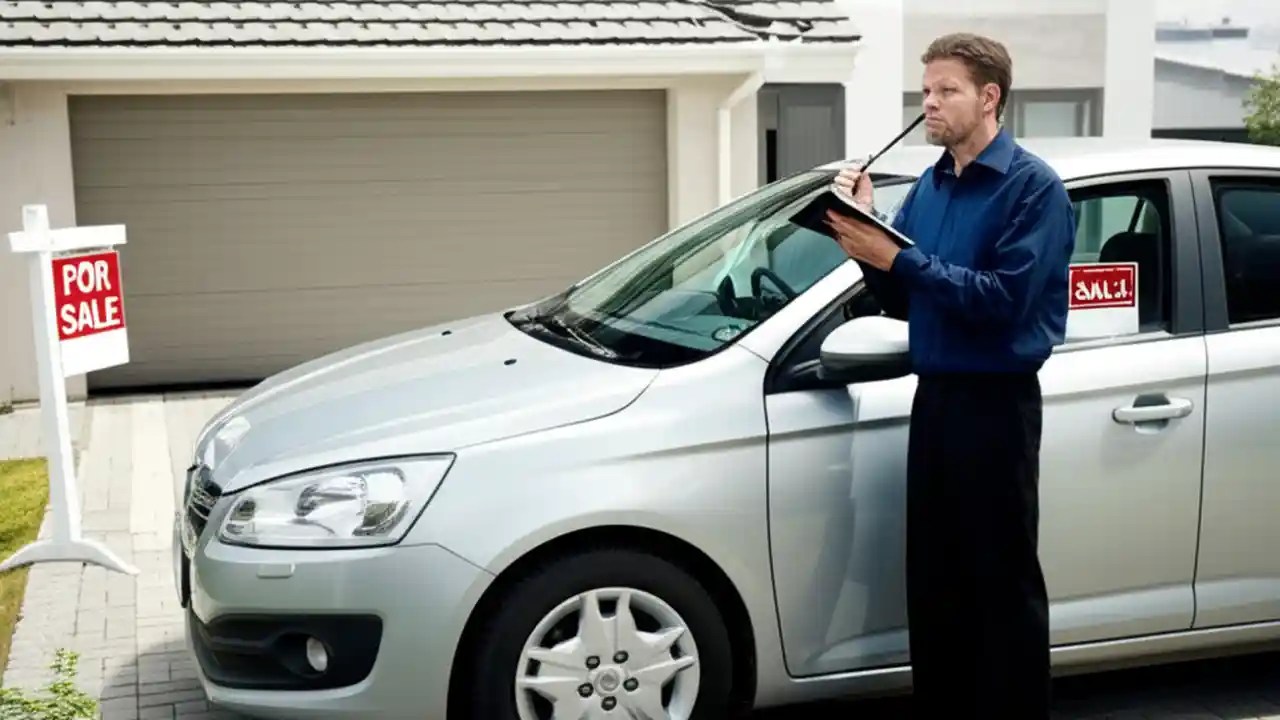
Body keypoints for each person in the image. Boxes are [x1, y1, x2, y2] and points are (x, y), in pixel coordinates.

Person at [826, 32, 1076, 718]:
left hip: (997, 408)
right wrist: (865, 235)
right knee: (935, 582)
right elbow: (906, 301)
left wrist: (895, 256)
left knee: (1000, 586)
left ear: (989, 97)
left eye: (946, 90)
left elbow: (1003, 303)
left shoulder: (1033, 188)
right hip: (934, 403)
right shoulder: (931, 188)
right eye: (925, 91)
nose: (929, 103)